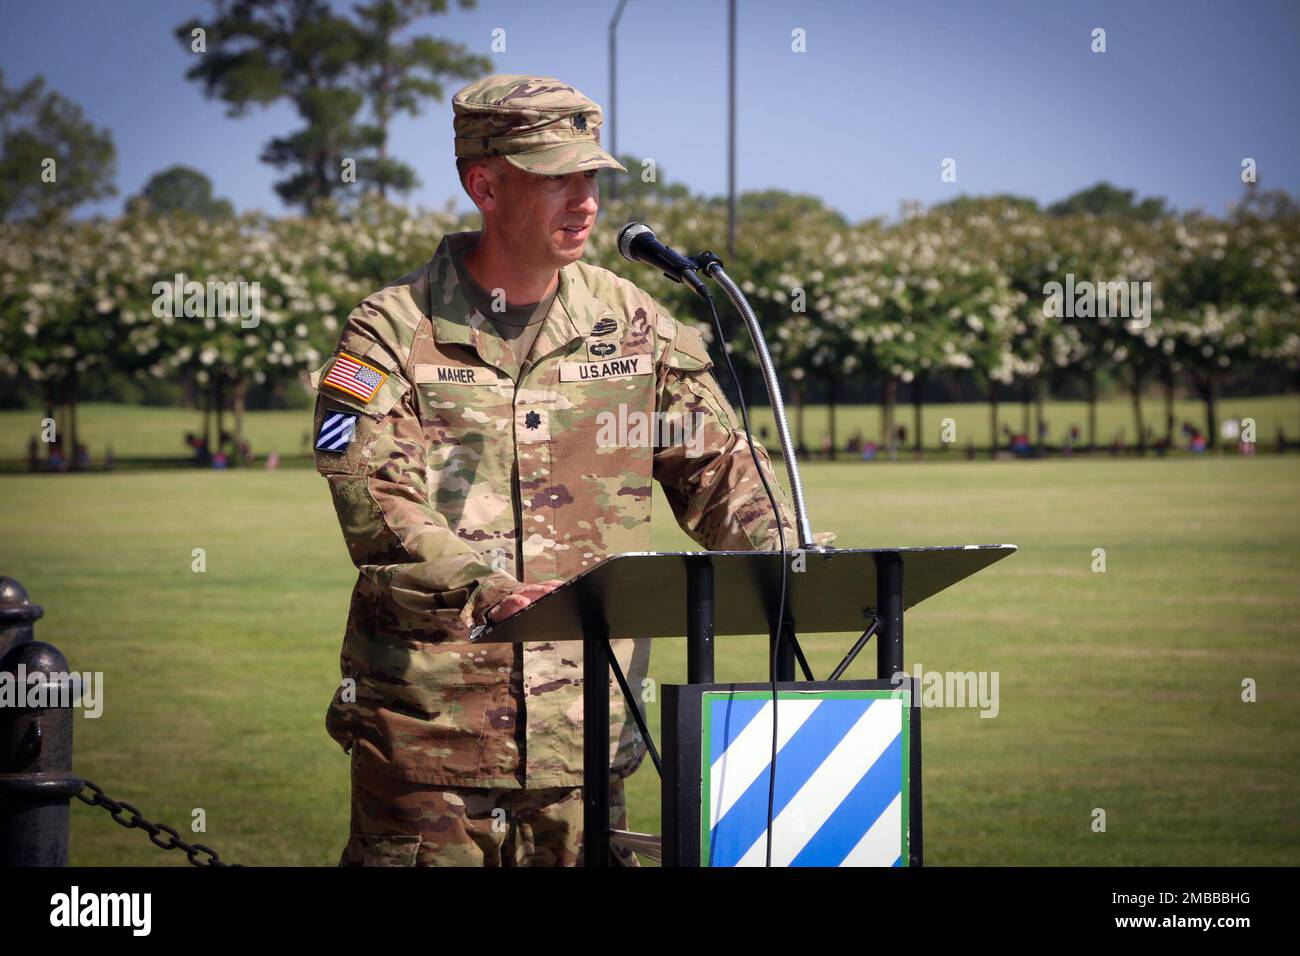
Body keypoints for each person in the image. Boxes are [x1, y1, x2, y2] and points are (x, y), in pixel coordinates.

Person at [310, 74, 822, 868]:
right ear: (484, 183)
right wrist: (485, 587)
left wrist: (791, 552)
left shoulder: (636, 325)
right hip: (432, 741)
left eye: (590, 176)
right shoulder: (391, 332)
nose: (584, 200)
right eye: (556, 178)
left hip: (587, 741)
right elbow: (372, 492)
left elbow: (720, 467)